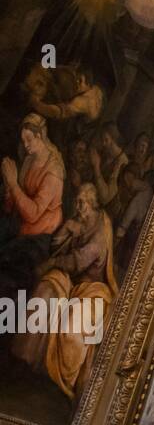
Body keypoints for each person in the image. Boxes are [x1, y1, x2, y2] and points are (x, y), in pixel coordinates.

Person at [14, 183, 114, 398]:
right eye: (76, 201)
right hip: (71, 281)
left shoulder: (100, 228)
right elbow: (55, 247)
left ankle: (60, 382)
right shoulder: (78, 221)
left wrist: (52, 263)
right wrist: (67, 228)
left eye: (82, 203)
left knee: (71, 328)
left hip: (93, 289)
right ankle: (26, 361)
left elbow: (79, 261)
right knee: (45, 289)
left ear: (93, 203)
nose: (78, 207)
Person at [0, 114, 66, 298]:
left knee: (7, 278)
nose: (26, 144)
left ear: (41, 135)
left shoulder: (53, 172)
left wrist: (13, 185)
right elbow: (12, 204)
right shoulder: (29, 160)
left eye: (29, 139)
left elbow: (34, 214)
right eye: (23, 140)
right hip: (19, 228)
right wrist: (8, 189)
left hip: (36, 241)